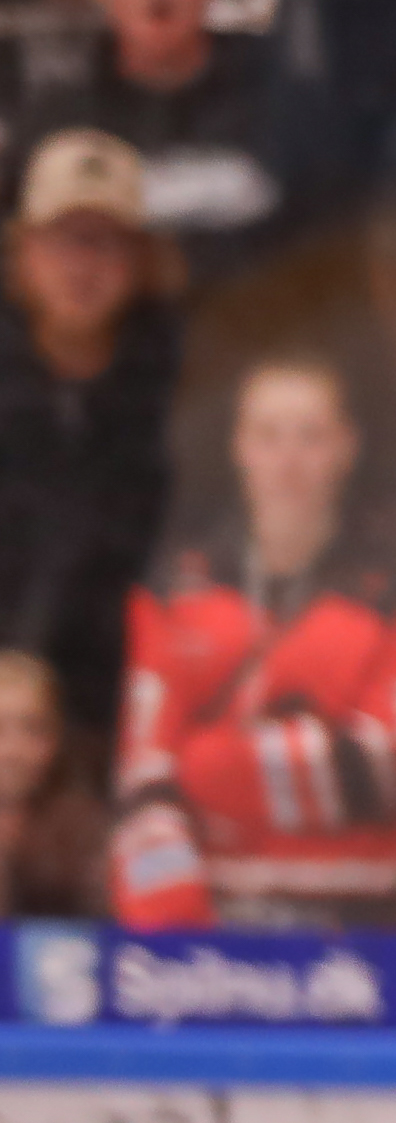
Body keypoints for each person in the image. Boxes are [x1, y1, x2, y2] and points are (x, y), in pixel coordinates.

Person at [108, 353, 396, 925]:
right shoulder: (175, 589)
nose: (288, 460)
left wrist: (206, 763)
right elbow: (144, 772)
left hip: (356, 924)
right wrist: (169, 913)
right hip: (207, 915)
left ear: (346, 449)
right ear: (240, 447)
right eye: (268, 436)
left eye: (310, 437)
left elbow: (379, 772)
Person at [20, 0, 335, 328]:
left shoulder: (284, 99)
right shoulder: (56, 118)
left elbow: (329, 256)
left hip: (258, 343)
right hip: (114, 364)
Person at [0, 129, 178, 745]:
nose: (83, 266)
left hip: (139, 705)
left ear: (142, 262)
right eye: (62, 242)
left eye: (106, 244)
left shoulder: (182, 380)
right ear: (21, 253)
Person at [0, 644, 110, 908]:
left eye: (33, 730)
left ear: (57, 737)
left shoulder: (85, 828)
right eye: (0, 729)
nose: (13, 751)